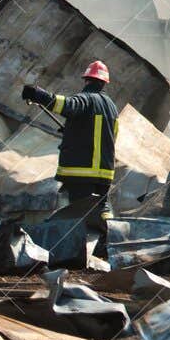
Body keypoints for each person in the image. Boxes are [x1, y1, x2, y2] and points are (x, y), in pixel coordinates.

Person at [22, 60, 119, 234]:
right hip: (105, 174)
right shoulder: (112, 107)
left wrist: (38, 94)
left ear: (87, 80)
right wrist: (74, 130)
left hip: (82, 172)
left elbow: (66, 105)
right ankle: (113, 237)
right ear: (104, 82)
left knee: (79, 213)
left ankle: (79, 249)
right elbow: (111, 136)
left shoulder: (85, 98)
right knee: (102, 210)